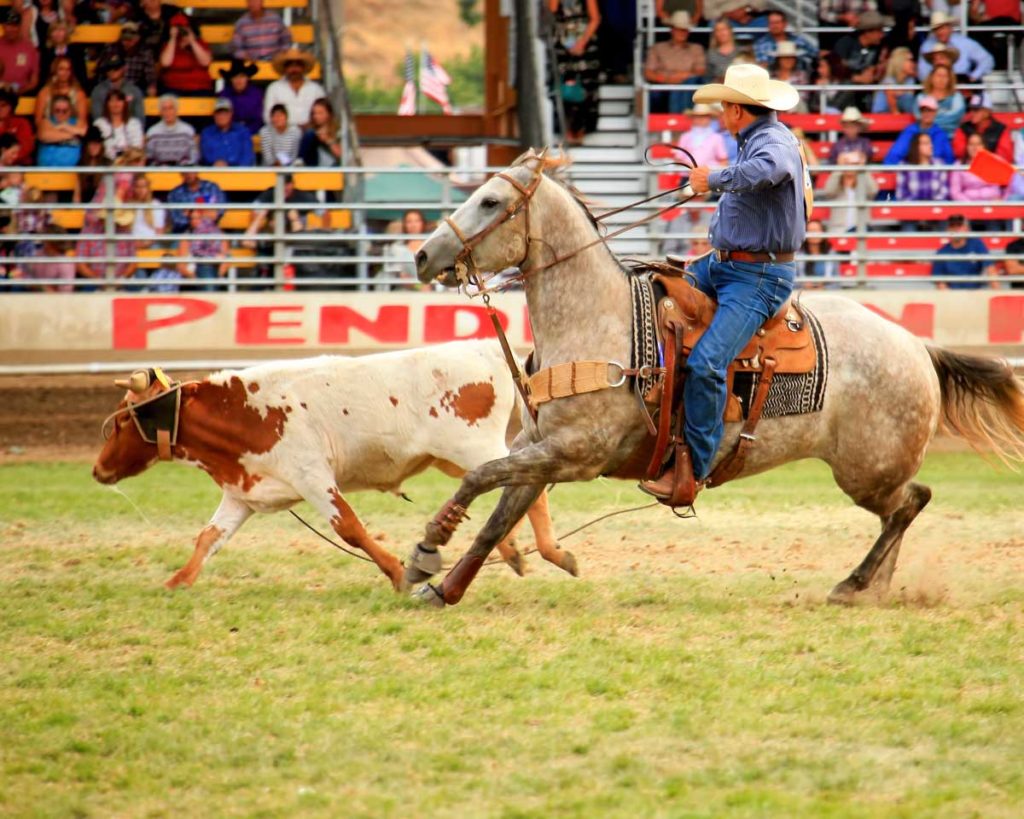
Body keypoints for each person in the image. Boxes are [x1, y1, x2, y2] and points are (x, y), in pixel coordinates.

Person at [641, 64, 806, 502]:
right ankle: (663, 377)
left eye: (722, 107)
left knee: (708, 362)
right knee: (654, 290)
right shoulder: (752, 140)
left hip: (758, 276)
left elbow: (769, 171)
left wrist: (711, 179)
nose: (719, 114)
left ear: (736, 109)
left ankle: (693, 469)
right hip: (721, 265)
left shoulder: (774, 142)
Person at [548, 0, 601, 144]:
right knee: (565, 85)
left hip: (584, 39)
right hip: (563, 41)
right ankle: (567, 129)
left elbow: (595, 19)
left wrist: (582, 42)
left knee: (585, 87)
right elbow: (551, 13)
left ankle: (581, 128)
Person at [643, 11, 705, 114]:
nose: (683, 33)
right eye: (679, 29)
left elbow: (700, 72)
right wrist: (668, 80)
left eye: (685, 30)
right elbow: (648, 72)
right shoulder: (658, 48)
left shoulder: (696, 49)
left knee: (689, 84)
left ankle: (680, 119)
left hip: (688, 86)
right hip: (664, 85)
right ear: (672, 30)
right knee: (655, 93)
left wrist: (682, 77)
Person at [950, 132, 1007, 233]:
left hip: (992, 205)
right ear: (967, 147)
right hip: (967, 206)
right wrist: (970, 205)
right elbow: (955, 192)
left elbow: (1011, 183)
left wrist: (1003, 198)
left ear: (984, 146)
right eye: (971, 144)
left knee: (997, 220)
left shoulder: (994, 161)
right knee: (962, 222)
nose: (974, 147)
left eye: (978, 144)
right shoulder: (958, 165)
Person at [916, 11, 993, 83]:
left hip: (961, 84)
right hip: (937, 85)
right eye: (936, 29)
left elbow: (987, 59)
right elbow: (923, 73)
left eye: (942, 27)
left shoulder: (963, 42)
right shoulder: (926, 46)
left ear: (950, 27)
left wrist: (973, 76)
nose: (940, 32)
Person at [896, 132, 949, 233]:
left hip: (935, 209)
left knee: (945, 217)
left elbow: (944, 191)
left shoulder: (939, 164)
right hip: (912, 210)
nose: (931, 146)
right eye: (926, 143)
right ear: (916, 147)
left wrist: (929, 208)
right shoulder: (904, 165)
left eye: (930, 143)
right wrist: (919, 209)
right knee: (908, 223)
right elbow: (901, 194)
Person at [263, 48, 325, 128]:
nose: (294, 69)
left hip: (310, 131)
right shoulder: (274, 88)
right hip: (283, 133)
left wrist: (309, 126)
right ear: (285, 68)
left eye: (297, 65)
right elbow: (268, 116)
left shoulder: (316, 89)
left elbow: (324, 114)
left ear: (303, 67)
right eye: (290, 66)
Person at [883, 96, 954, 165]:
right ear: (920, 112)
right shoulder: (910, 131)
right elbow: (894, 156)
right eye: (924, 111)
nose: (927, 114)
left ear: (936, 112)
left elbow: (949, 160)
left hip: (935, 173)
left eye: (930, 111)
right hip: (913, 172)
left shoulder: (940, 134)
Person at [820, 149, 877, 235]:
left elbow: (873, 191)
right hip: (838, 229)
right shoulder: (837, 181)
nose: (850, 167)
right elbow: (829, 191)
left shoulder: (863, 181)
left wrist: (862, 167)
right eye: (847, 164)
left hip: (861, 229)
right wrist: (839, 167)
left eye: (853, 164)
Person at [932, 214, 995, 290]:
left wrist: (997, 292)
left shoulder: (976, 244)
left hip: (976, 293)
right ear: (947, 230)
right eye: (952, 226)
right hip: (953, 295)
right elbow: (940, 283)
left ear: (967, 229)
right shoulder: (941, 253)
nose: (956, 229)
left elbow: (990, 268)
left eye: (959, 226)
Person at [98, 21, 157, 98]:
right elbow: (101, 72)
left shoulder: (145, 53)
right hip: (112, 87)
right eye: (124, 39)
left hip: (134, 88)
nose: (126, 42)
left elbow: (150, 78)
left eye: (130, 39)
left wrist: (151, 88)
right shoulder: (110, 50)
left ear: (137, 38)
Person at [159, 12, 214, 96]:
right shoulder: (169, 45)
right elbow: (165, 63)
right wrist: (173, 38)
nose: (181, 30)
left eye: (184, 27)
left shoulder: (200, 43)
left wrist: (192, 41)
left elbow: (206, 62)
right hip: (173, 87)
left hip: (199, 87)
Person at [376, 209, 430, 291]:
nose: (413, 225)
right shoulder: (397, 249)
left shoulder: (430, 247)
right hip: (404, 295)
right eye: (409, 222)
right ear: (404, 225)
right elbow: (400, 276)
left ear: (423, 223)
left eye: (417, 221)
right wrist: (419, 287)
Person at [952, 92, 1013, 163]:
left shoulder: (1001, 129)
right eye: (971, 109)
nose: (972, 113)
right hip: (968, 167)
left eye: (976, 110)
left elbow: (1005, 156)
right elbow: (959, 152)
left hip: (993, 168)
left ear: (987, 112)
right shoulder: (963, 128)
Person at [176, 208, 227, 291]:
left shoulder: (219, 235)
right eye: (192, 218)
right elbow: (181, 266)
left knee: (208, 268)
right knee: (205, 267)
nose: (195, 221)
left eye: (198, 218)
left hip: (214, 274)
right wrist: (196, 279)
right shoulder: (186, 238)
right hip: (193, 277)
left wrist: (215, 277)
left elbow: (225, 261)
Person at [753, 10, 817, 75]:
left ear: (785, 23)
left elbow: (815, 54)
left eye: (777, 22)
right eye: (771, 23)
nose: (774, 26)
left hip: (801, 79)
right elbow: (761, 66)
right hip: (774, 79)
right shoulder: (761, 43)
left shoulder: (798, 40)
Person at [199, 98, 255, 166]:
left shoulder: (243, 131)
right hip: (214, 171)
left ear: (231, 114)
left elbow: (247, 156)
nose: (221, 116)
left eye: (225, 113)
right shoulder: (207, 133)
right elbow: (206, 156)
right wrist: (217, 163)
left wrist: (232, 169)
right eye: (218, 113)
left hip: (239, 173)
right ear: (214, 115)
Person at [145, 94, 198, 165]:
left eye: (171, 108)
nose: (167, 112)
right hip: (159, 172)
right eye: (164, 109)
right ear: (160, 112)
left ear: (176, 110)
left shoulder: (187, 130)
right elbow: (149, 157)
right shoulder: (153, 132)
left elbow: (194, 157)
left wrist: (182, 166)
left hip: (183, 171)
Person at [913, 65, 964, 139]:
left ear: (949, 79)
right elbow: (919, 117)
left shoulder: (956, 97)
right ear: (931, 77)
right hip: (927, 137)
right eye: (938, 75)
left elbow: (954, 117)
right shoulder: (921, 97)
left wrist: (930, 120)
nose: (941, 79)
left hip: (950, 137)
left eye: (945, 76)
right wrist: (942, 116)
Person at [90, 55, 145, 122]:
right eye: (109, 68)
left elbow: (140, 119)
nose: (112, 71)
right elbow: (97, 118)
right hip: (105, 129)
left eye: (116, 68)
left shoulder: (134, 90)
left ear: (124, 68)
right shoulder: (98, 91)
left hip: (130, 129)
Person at [36, 92, 85, 166]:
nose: (61, 114)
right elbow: (44, 135)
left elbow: (84, 131)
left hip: (72, 173)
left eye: (64, 111)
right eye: (57, 111)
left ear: (70, 110)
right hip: (47, 171)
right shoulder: (46, 122)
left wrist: (64, 127)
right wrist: (74, 133)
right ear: (52, 110)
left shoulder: (78, 122)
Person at [95, 89, 145, 161]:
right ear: (107, 104)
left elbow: (137, 148)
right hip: (105, 164)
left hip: (129, 164)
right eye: (112, 100)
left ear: (124, 103)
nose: (115, 104)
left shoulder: (134, 123)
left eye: (119, 100)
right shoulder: (99, 124)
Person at [38, 20, 88, 91]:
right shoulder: (46, 53)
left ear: (66, 33)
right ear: (50, 34)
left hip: (74, 87)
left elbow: (81, 74)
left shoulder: (76, 51)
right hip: (51, 88)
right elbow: (43, 76)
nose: (58, 33)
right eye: (54, 30)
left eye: (61, 30)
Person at [219, 58, 263, 134]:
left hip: (253, 132)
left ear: (247, 78)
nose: (238, 80)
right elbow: (222, 118)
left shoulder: (257, 94)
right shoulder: (224, 95)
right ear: (231, 79)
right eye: (235, 77)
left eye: (242, 76)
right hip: (229, 133)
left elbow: (258, 120)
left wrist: (245, 132)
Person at [0, 10, 39, 93]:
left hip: (22, 94)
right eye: (8, 25)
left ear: (20, 27)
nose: (11, 29)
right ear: (3, 26)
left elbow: (34, 81)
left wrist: (18, 92)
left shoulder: (29, 48)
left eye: (15, 26)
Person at [871, 46, 916, 114]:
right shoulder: (889, 80)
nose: (913, 63)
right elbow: (892, 103)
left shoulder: (910, 80)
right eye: (910, 60)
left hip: (902, 114)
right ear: (900, 61)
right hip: (882, 115)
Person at [297, 97, 341, 167]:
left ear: (329, 114)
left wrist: (328, 140)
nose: (316, 116)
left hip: (332, 167)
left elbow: (341, 155)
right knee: (310, 134)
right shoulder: (310, 132)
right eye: (314, 113)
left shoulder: (338, 130)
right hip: (313, 167)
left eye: (320, 113)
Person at [768, 41, 809, 111]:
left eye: (792, 58)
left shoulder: (801, 75)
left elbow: (804, 96)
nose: (789, 60)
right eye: (785, 58)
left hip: (796, 109)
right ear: (778, 60)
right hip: (775, 108)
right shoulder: (771, 76)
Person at [128, 172, 165, 247]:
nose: (141, 190)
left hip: (151, 244)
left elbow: (159, 231)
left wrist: (147, 243)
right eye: (137, 187)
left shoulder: (156, 205)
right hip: (130, 243)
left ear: (148, 188)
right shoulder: (127, 205)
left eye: (143, 187)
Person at [73, 126, 108, 204]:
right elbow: (77, 194)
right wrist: (77, 211)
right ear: (86, 146)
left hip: (102, 206)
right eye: (91, 144)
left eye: (97, 144)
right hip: (85, 206)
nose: (94, 147)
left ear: (101, 146)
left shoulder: (108, 164)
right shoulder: (81, 164)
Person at [0, 86, 34, 164]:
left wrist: (7, 157)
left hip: (18, 166)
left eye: (3, 105)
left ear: (11, 106)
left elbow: (26, 147)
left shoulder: (21, 123)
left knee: (15, 176)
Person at [799, 219, 838, 286]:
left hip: (825, 294)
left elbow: (837, 283)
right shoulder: (798, 255)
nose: (814, 234)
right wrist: (803, 285)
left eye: (817, 231)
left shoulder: (832, 254)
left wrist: (824, 287)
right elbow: (792, 282)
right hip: (804, 293)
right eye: (810, 231)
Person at [705, 16, 737, 84]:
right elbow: (708, 78)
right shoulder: (711, 54)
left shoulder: (742, 51)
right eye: (718, 30)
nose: (721, 33)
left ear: (730, 30)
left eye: (724, 29)